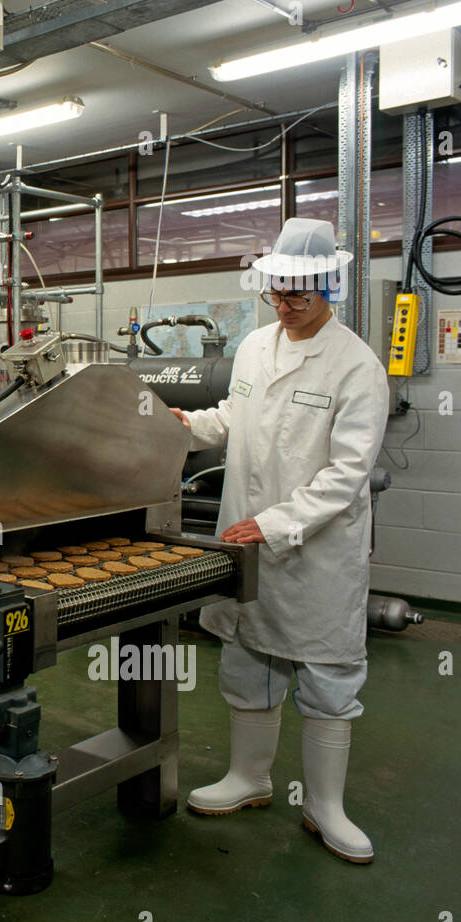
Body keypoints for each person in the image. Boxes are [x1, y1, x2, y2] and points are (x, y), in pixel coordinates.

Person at [169, 217, 390, 863]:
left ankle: (325, 808)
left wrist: (272, 524)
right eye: (278, 295)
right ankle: (250, 778)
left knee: (326, 677)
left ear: (330, 290)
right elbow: (235, 417)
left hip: (316, 551)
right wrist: (185, 424)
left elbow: (347, 476)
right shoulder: (256, 347)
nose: (286, 307)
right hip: (247, 540)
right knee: (247, 658)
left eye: (301, 296)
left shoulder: (357, 368)